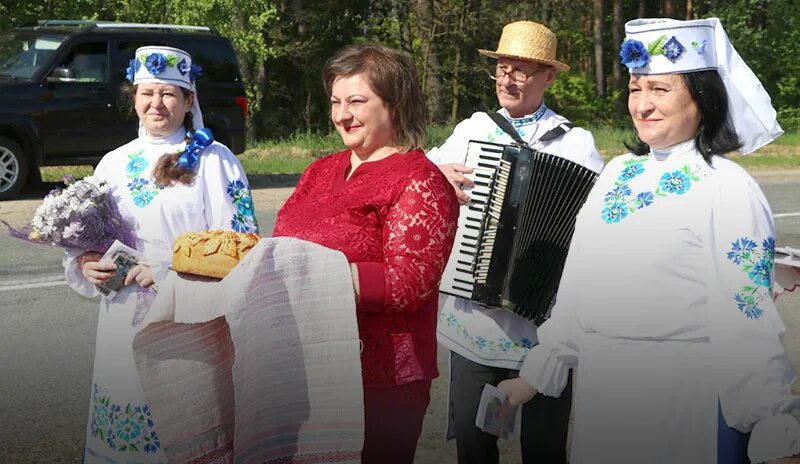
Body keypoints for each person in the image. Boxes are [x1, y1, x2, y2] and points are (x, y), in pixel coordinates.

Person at [498, 18, 800, 464]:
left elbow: (746, 319)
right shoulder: (618, 173)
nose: (642, 105)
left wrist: (774, 425)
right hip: (604, 397)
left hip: (681, 402)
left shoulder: (728, 188)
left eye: (659, 90)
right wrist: (536, 374)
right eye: (636, 89)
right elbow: (580, 288)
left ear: (702, 97)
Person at [63, 45, 257, 463]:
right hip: (121, 321)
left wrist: (170, 272)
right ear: (133, 98)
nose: (157, 103)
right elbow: (86, 240)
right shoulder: (112, 164)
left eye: (169, 93)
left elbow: (242, 248)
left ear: (189, 102)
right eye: (147, 93)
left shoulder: (215, 161)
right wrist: (84, 262)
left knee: (183, 430)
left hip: (187, 318)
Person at [426, 21, 603, 464]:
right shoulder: (472, 130)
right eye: (503, 68)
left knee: (544, 448)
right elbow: (417, 184)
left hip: (545, 329)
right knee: (475, 446)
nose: (508, 79)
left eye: (522, 70)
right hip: (475, 323)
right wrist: (437, 177)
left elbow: (597, 231)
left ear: (549, 76)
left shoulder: (576, 143)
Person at [272, 44, 459, 463]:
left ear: (395, 104)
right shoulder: (321, 170)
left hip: (378, 378)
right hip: (304, 362)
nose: (342, 114)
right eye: (336, 102)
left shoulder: (419, 179)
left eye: (357, 101)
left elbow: (410, 282)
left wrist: (312, 277)